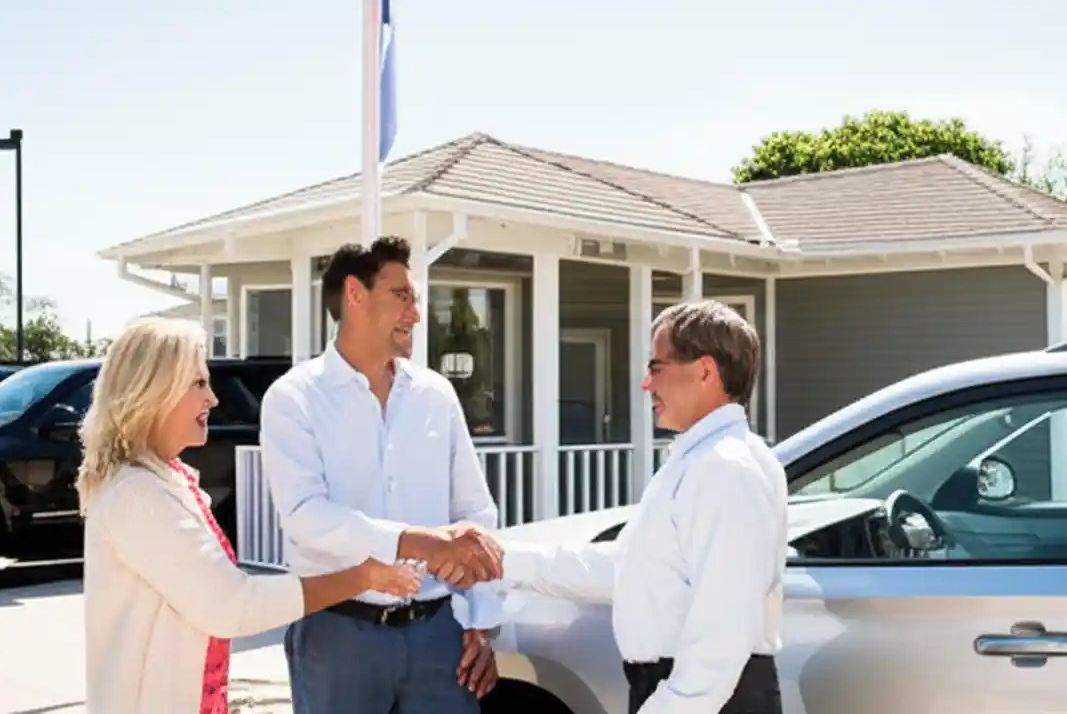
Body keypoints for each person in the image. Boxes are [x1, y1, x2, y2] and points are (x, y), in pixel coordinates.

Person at [78, 317, 422, 714]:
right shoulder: (138, 496)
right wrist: (362, 576)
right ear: (155, 392)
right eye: (198, 383)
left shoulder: (162, 481)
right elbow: (233, 606)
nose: (213, 399)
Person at [501, 300, 788, 714]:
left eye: (656, 368)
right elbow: (631, 570)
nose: (646, 385)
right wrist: (501, 560)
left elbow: (722, 633)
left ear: (705, 371)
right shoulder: (707, 460)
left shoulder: (724, 468)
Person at [259, 235, 506, 714]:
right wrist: (421, 542)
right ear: (355, 294)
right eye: (402, 296)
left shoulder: (436, 395)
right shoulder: (293, 400)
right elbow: (306, 518)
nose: (415, 313)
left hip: (441, 638)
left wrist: (482, 620)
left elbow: (475, 513)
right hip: (336, 638)